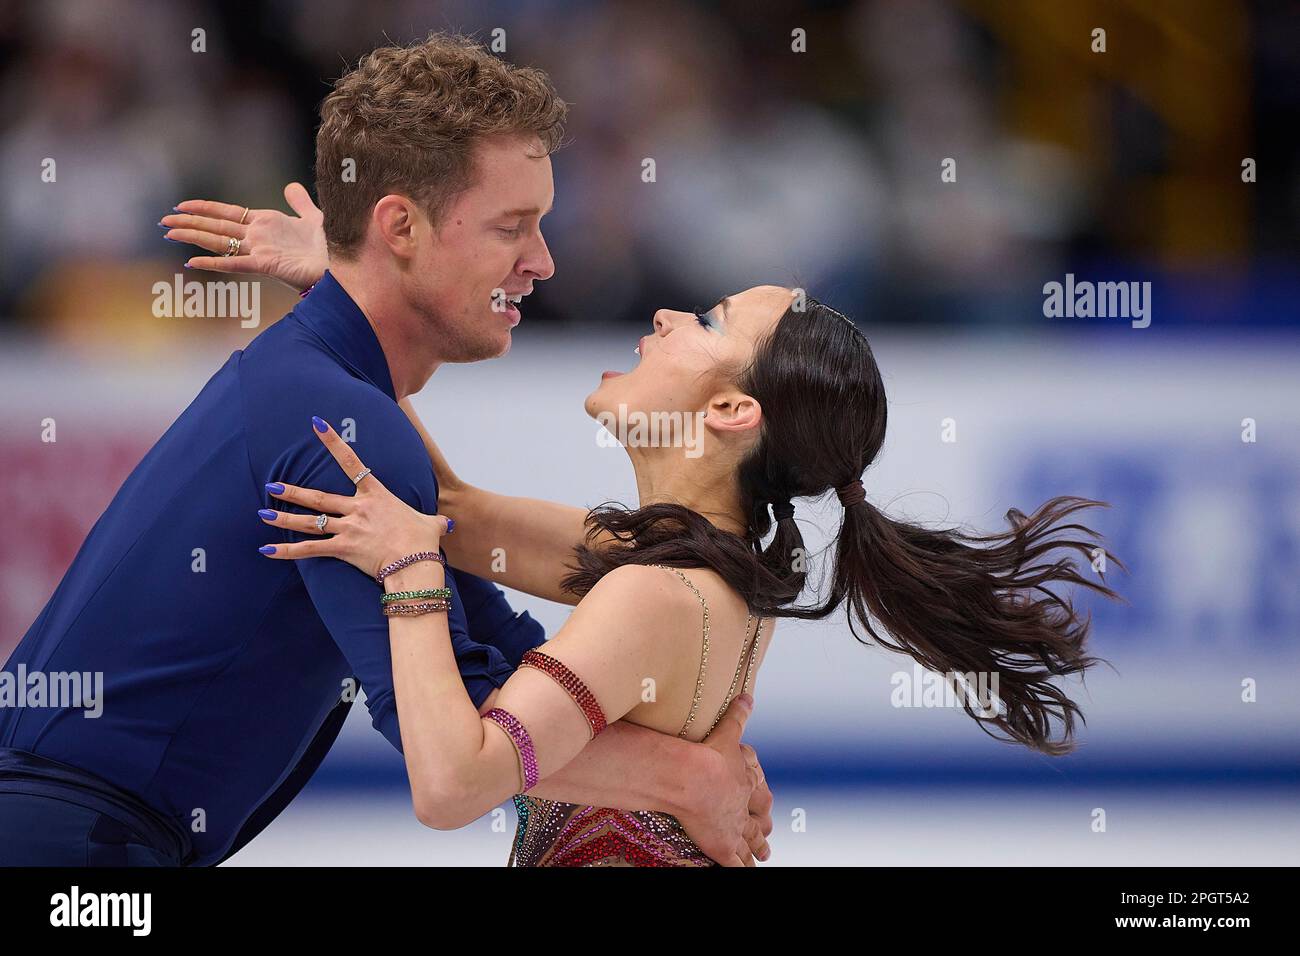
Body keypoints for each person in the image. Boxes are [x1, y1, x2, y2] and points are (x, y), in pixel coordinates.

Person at [0, 33, 771, 867]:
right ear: (400, 226)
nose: (542, 262)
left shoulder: (338, 408)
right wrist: (685, 778)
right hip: (70, 845)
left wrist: (339, 276)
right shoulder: (338, 427)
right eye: (512, 227)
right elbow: (457, 738)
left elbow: (492, 653)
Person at [243, 278, 1122, 867]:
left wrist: (408, 576)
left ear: (735, 409)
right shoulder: (712, 575)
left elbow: (450, 783)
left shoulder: (653, 593)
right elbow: (453, 510)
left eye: (706, 325)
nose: (665, 318)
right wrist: (349, 292)